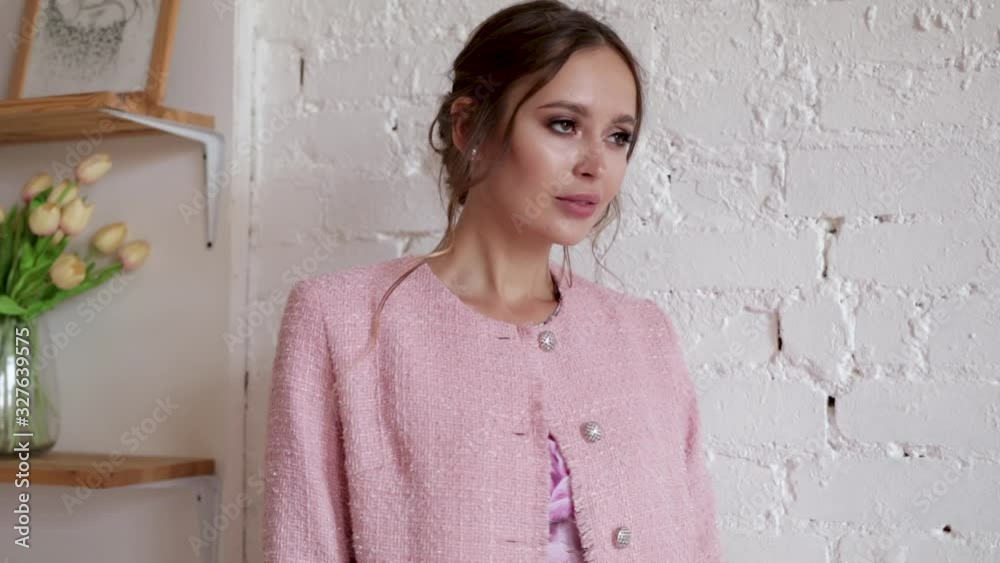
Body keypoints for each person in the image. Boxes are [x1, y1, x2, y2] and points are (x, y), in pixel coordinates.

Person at [262, 1, 722, 561]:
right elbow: (303, 545)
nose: (596, 164)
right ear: (467, 126)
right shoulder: (341, 320)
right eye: (564, 124)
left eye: (619, 136)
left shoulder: (643, 333)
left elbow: (697, 544)